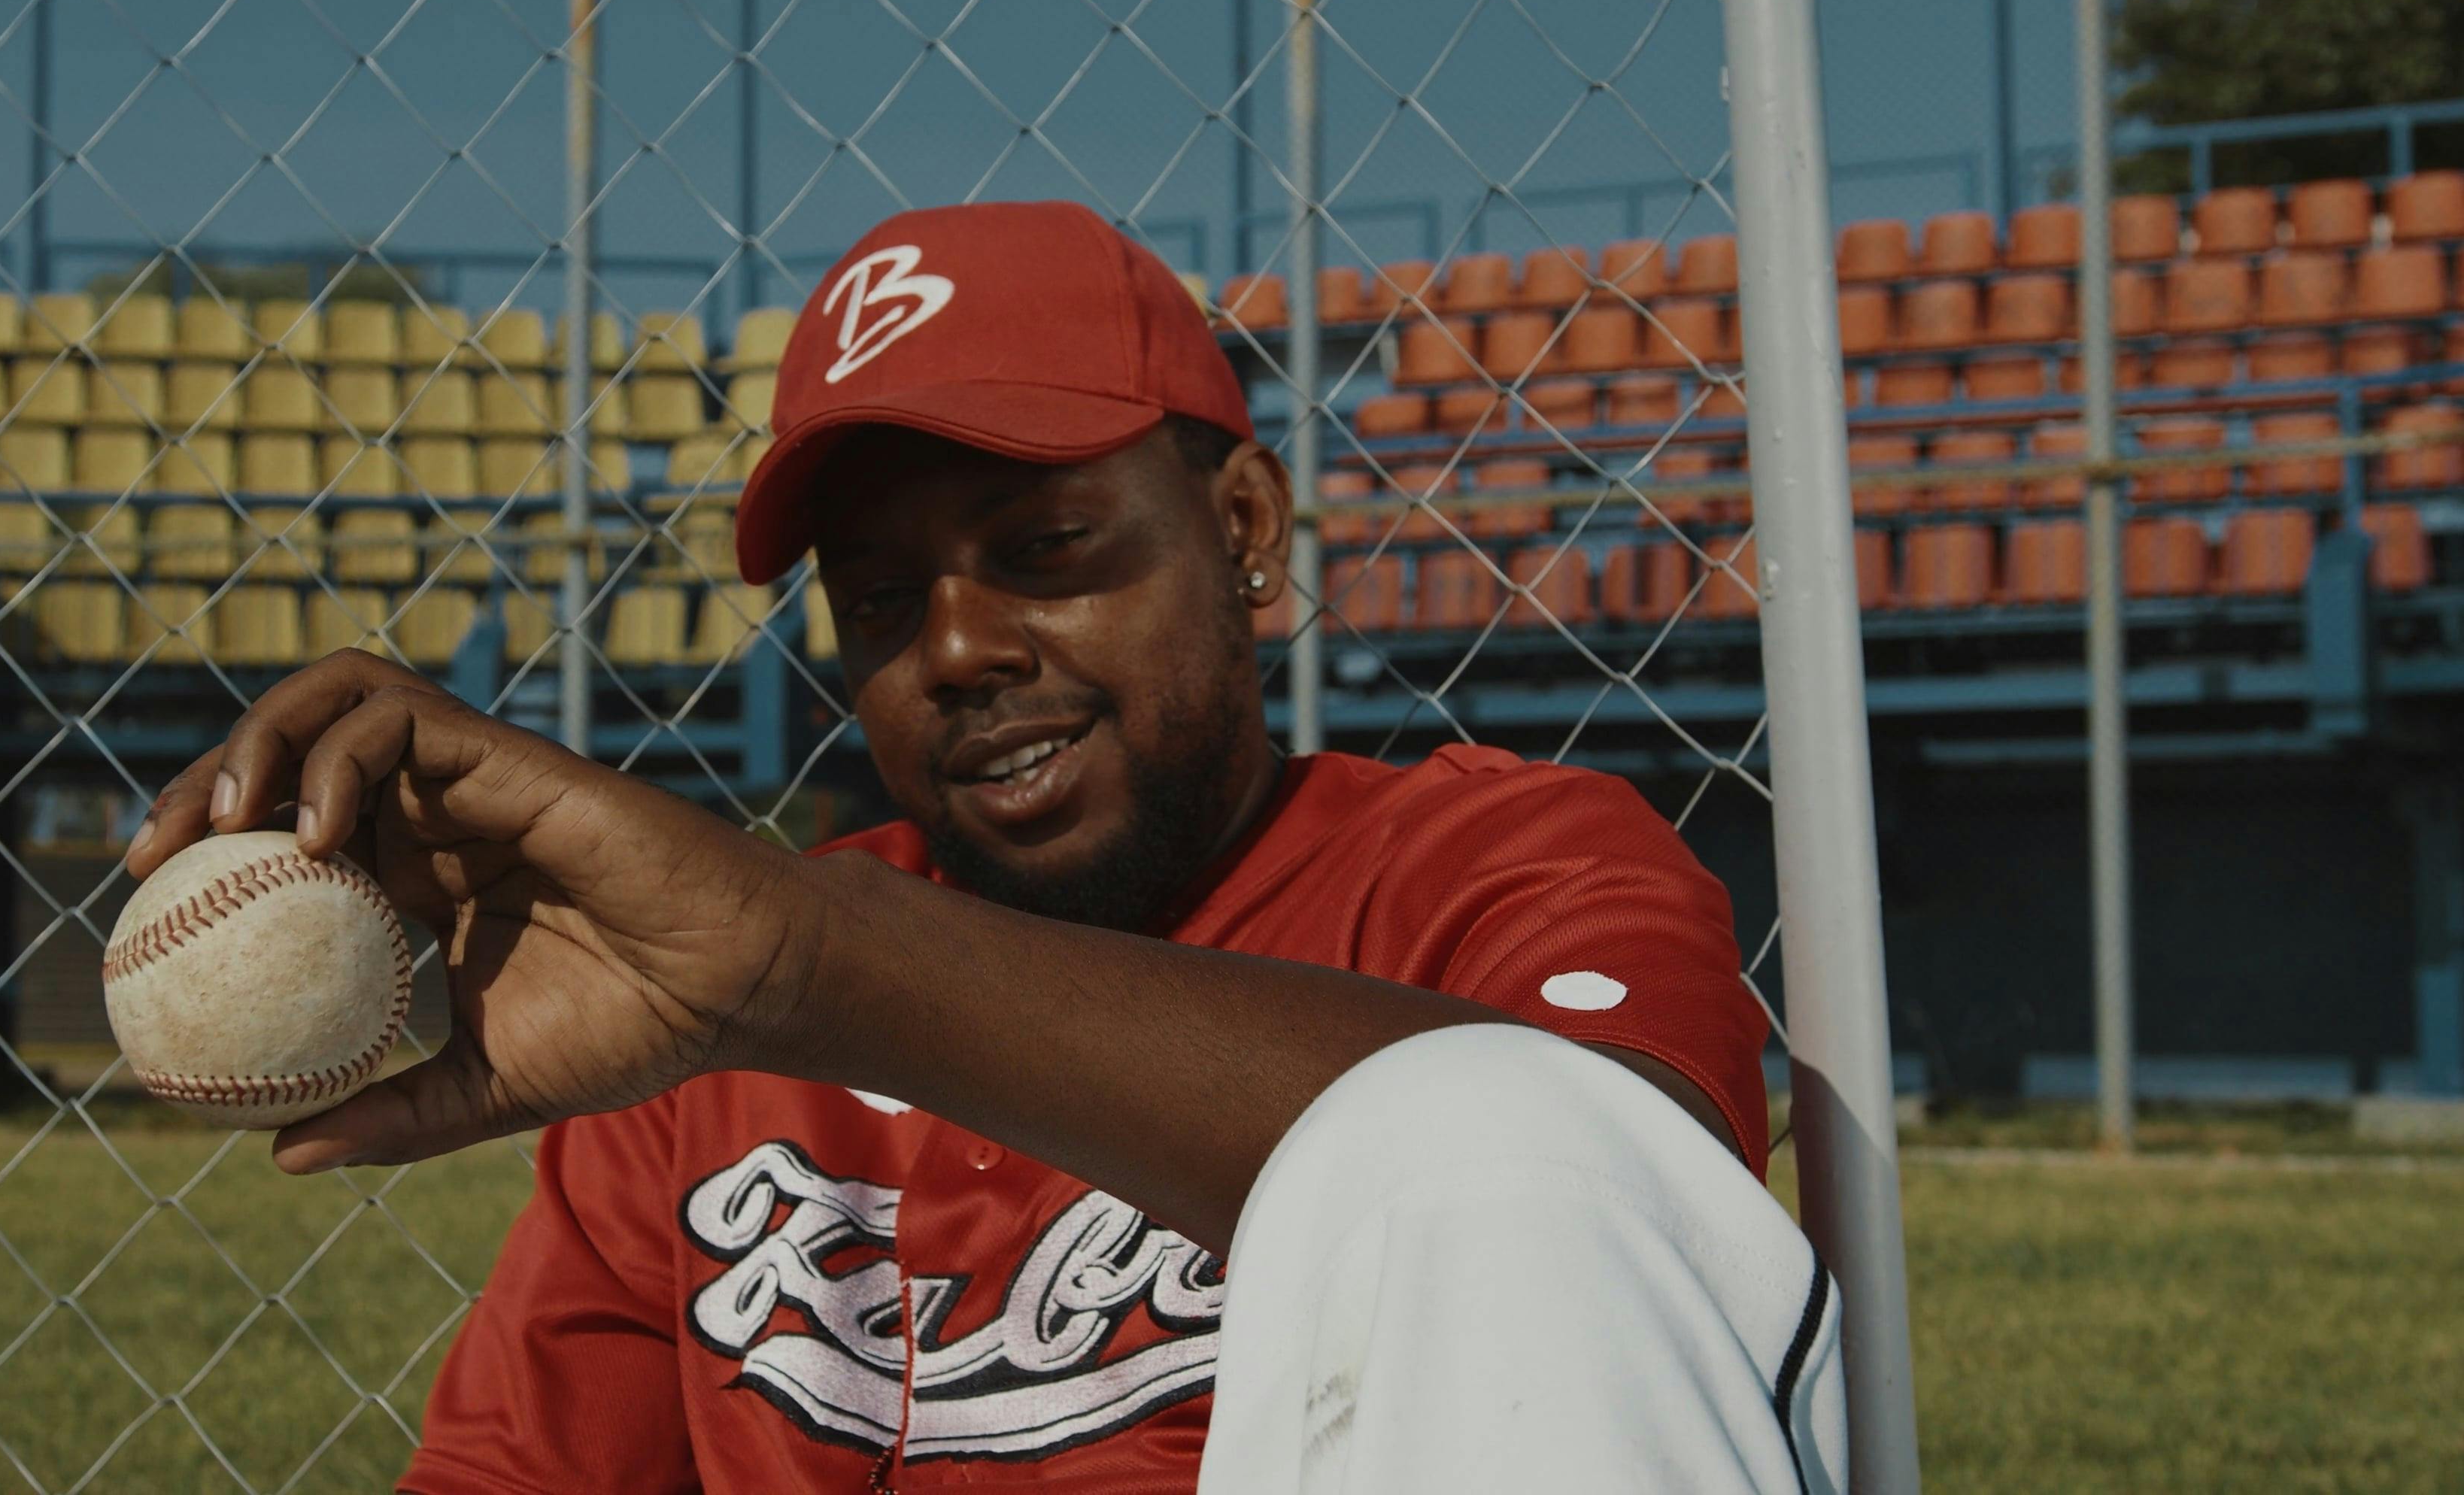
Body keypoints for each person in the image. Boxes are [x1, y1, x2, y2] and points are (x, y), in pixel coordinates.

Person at [128, 200, 1845, 1493]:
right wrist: (781, 983)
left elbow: (1615, 1211)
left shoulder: (1497, 861)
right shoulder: (702, 1029)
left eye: (1044, 548)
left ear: (1242, 532)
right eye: (881, 600)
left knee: (1500, 1116)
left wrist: (814, 971)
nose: (956, 649)